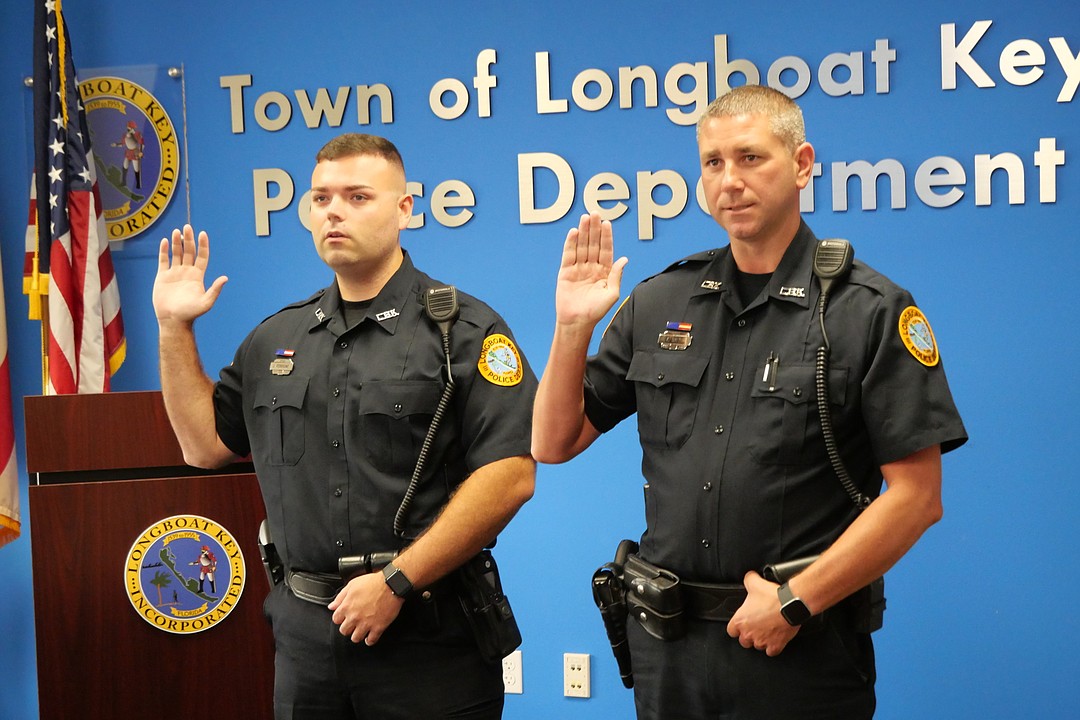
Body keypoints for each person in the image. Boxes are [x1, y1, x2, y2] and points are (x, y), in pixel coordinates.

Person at [532, 85, 967, 719]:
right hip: (669, 650)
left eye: (750, 158)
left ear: (802, 164)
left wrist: (795, 600)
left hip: (799, 647)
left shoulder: (866, 310)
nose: (729, 181)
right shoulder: (659, 302)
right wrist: (572, 328)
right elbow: (552, 442)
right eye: (713, 162)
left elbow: (918, 498)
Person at [153, 132, 537, 719]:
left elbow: (510, 474)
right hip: (306, 640)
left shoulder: (462, 331)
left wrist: (397, 581)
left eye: (358, 197)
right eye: (321, 198)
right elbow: (203, 445)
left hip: (427, 635)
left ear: (405, 209)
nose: (333, 211)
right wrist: (173, 329)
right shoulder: (275, 339)